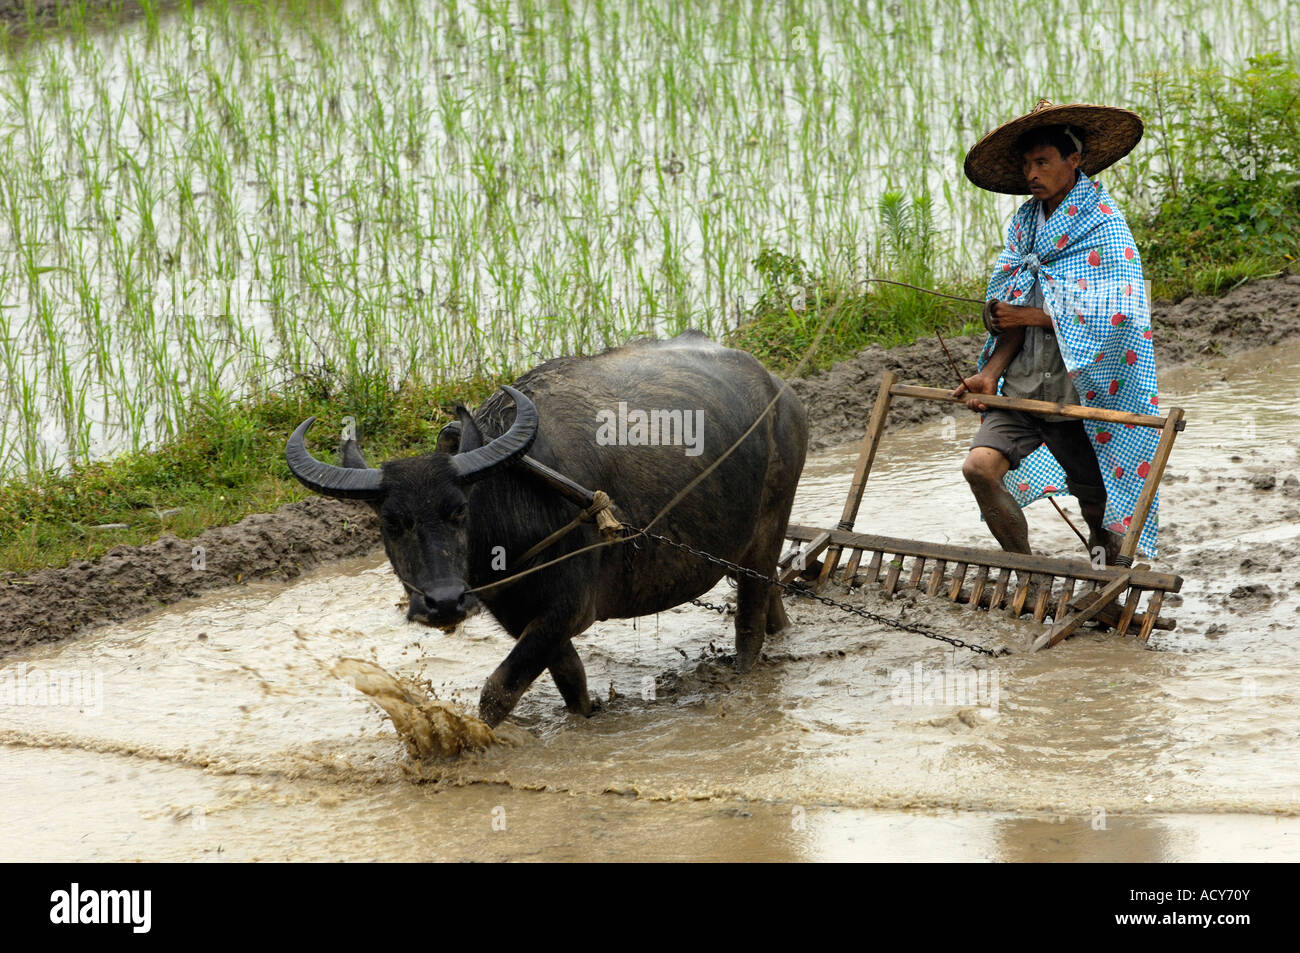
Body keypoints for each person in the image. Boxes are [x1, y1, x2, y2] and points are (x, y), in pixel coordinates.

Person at [953, 100, 1162, 566]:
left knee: (1098, 507)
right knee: (979, 469)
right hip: (1025, 385)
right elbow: (1013, 311)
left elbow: (1123, 309)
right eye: (1027, 164)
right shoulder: (1026, 225)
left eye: (1043, 161)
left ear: (1075, 160)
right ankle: (1026, 569)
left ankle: (1106, 588)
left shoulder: (1104, 225)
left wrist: (1031, 317)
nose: (1033, 172)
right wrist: (989, 374)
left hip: (1081, 394)